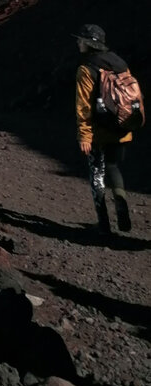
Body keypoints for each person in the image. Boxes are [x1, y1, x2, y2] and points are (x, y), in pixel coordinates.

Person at [75, 23, 133, 235]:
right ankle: (121, 200)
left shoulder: (86, 69)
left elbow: (83, 107)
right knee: (114, 166)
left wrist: (84, 135)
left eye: (80, 40)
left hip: (99, 132)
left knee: (97, 174)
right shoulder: (120, 63)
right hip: (122, 128)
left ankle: (104, 225)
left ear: (89, 43)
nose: (78, 43)